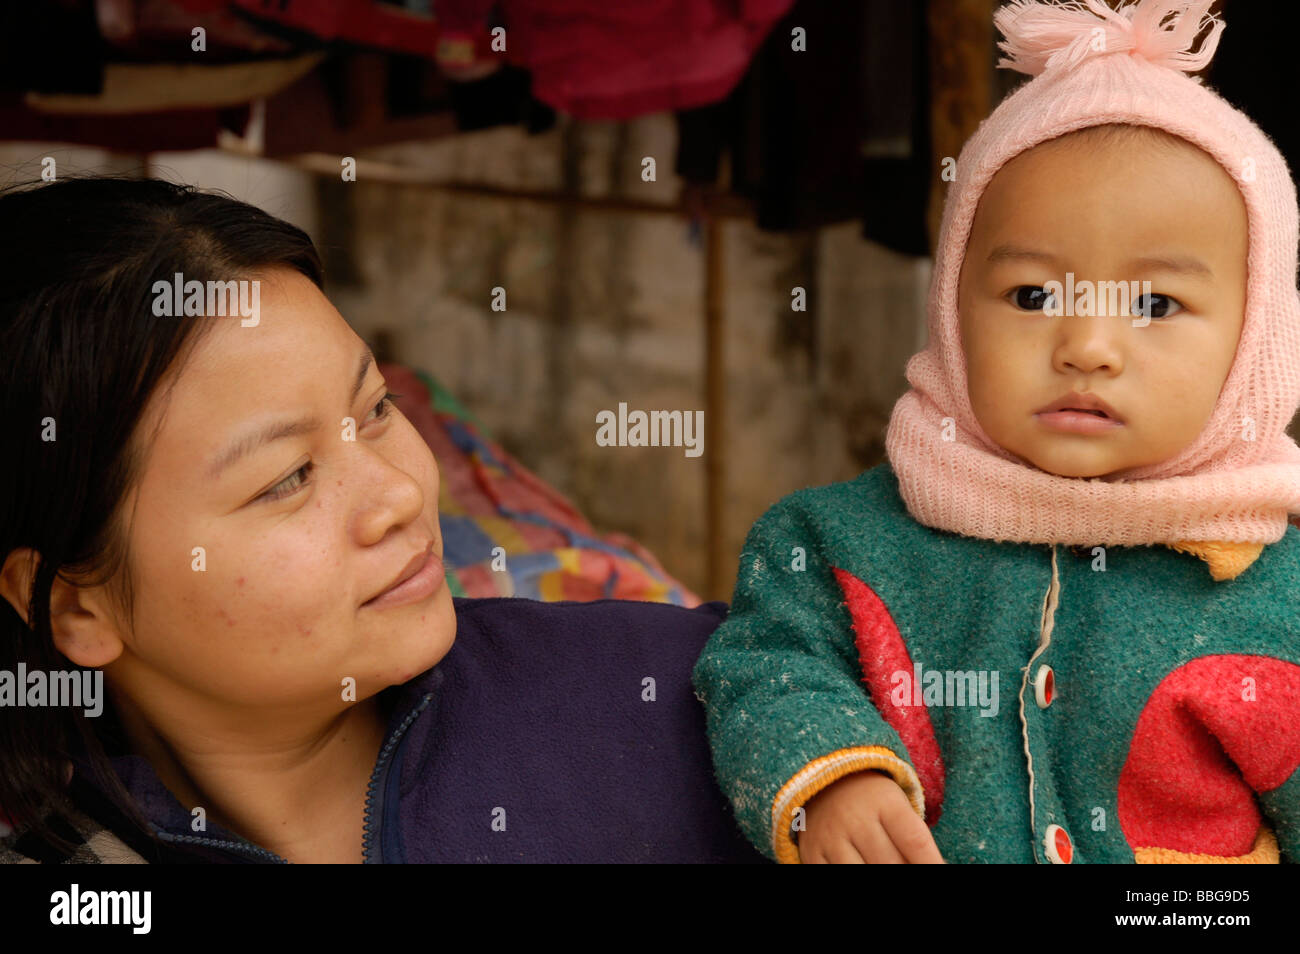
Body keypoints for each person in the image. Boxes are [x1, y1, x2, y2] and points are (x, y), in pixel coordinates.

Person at [0, 175, 762, 864]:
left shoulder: (695, 700)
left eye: (375, 410)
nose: (399, 492)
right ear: (76, 602)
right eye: (288, 478)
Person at [693, 0, 1300, 864]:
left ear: (1254, 341)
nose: (1086, 346)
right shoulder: (834, 542)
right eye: (1032, 295)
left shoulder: (1277, 591)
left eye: (1155, 304)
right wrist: (832, 775)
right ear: (950, 309)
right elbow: (761, 666)